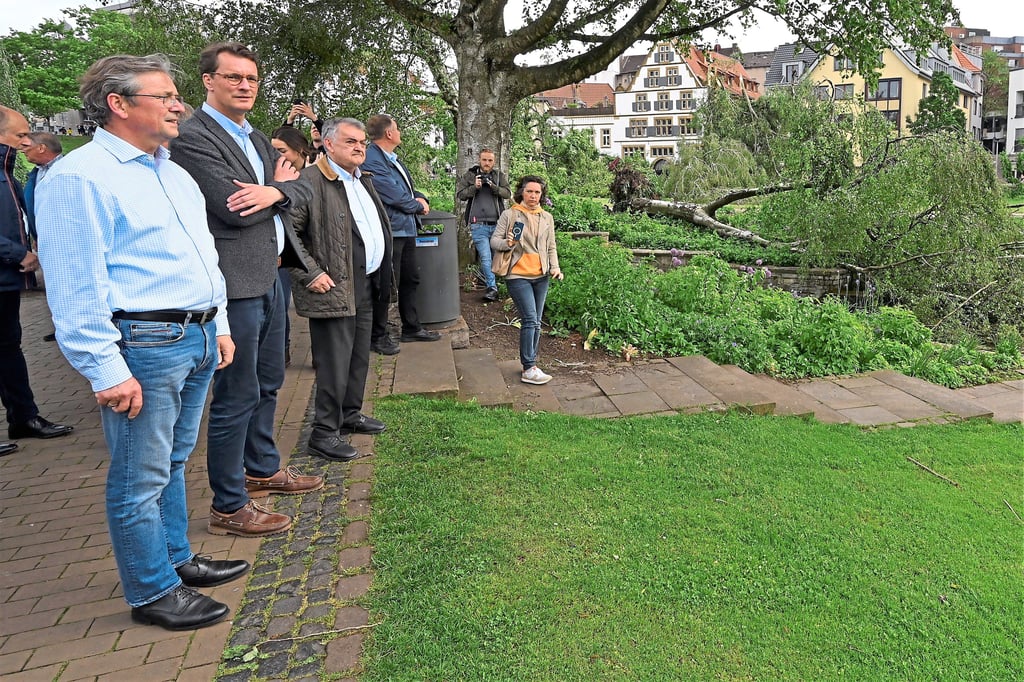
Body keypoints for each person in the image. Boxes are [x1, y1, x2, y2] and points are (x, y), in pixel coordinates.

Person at [35, 54, 248, 631]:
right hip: (146, 344)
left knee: (173, 460)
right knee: (139, 474)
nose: (179, 106)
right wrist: (104, 369)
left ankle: (176, 559)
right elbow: (75, 285)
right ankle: (152, 589)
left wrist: (219, 324)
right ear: (119, 104)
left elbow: (203, 255)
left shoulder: (171, 171)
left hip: (195, 335)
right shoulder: (79, 177)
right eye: (166, 96)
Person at [171, 42, 323, 538]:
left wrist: (274, 190)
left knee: (269, 381)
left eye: (252, 79)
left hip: (271, 275)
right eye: (233, 77)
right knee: (236, 394)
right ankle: (229, 503)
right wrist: (278, 192)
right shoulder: (193, 137)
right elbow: (233, 207)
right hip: (234, 284)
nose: (244, 86)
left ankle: (262, 468)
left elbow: (302, 188)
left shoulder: (255, 136)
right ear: (208, 81)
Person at [289, 118, 391, 461]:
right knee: (334, 363)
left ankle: (349, 414)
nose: (359, 147)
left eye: (362, 142)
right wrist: (311, 273)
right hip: (332, 286)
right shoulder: (309, 181)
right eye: (350, 141)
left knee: (358, 356)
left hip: (365, 282)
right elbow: (287, 234)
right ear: (329, 144)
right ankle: (323, 433)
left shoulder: (362, 179)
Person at [0, 106, 73, 455]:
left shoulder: (8, 171)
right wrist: (18, 254)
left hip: (6, 279)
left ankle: (24, 417)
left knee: (8, 347)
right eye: (20, 135)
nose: (26, 141)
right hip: (8, 267)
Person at [362, 113, 440, 355]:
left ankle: (411, 327)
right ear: (388, 133)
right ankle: (377, 336)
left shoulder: (392, 158)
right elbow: (393, 195)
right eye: (397, 128)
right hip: (391, 230)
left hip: (405, 228)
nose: (399, 132)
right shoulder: (372, 159)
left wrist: (421, 198)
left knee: (410, 279)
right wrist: (418, 206)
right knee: (385, 285)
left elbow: (408, 187)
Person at [490, 175, 563, 385]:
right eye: (529, 191)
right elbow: (494, 241)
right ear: (522, 192)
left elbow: (551, 246)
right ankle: (529, 367)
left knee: (536, 322)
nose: (533, 195)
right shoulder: (510, 214)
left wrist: (555, 267)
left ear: (542, 195)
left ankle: (530, 365)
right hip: (517, 275)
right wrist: (507, 243)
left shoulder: (546, 217)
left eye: (537, 192)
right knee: (530, 319)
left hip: (541, 276)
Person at [456, 148, 511, 302]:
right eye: (484, 160)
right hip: (478, 224)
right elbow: (460, 195)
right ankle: (492, 288)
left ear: (494, 161)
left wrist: (493, 187)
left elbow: (507, 193)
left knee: (494, 257)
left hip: (497, 224)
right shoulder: (470, 175)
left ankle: (484, 277)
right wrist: (475, 187)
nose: (487, 163)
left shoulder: (498, 176)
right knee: (486, 257)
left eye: (490, 160)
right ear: (479, 160)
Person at [23, 132, 63, 243]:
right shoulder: (36, 173)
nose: (22, 150)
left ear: (41, 148)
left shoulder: (68, 173)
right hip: (42, 240)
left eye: (26, 146)